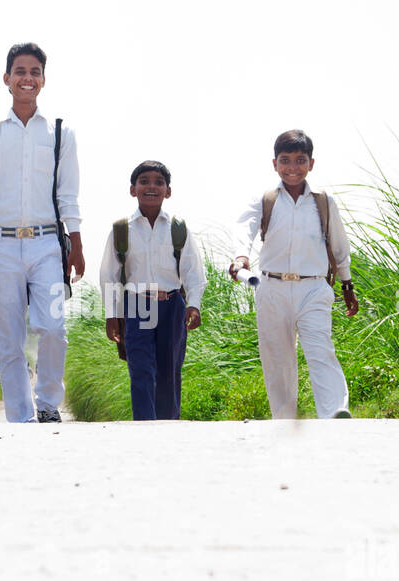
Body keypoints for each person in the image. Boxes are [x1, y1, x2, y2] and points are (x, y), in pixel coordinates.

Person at [0, 42, 84, 423]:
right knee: (8, 341)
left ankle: (47, 405)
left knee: (54, 328)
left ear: (43, 80)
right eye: (20, 72)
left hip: (48, 244)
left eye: (34, 72)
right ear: (7, 79)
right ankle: (20, 418)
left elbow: (68, 191)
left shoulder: (60, 132)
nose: (27, 79)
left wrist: (75, 244)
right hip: (3, 246)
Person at [230, 129, 360, 419]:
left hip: (313, 288)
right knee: (277, 359)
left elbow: (340, 245)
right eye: (285, 160)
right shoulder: (265, 199)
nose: (292, 167)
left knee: (320, 348)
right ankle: (285, 420)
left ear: (311, 164)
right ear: (274, 163)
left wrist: (347, 284)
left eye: (300, 160)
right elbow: (245, 229)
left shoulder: (323, 201)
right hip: (271, 287)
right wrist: (241, 258)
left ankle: (334, 412)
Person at [99, 160, 207, 420]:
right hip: (137, 305)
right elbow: (109, 275)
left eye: (159, 182)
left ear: (168, 191)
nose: (151, 187)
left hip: (172, 304)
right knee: (141, 369)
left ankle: (168, 427)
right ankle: (144, 428)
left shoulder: (177, 228)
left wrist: (194, 304)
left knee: (170, 371)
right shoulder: (121, 229)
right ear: (132, 189)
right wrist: (112, 315)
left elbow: (193, 269)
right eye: (144, 181)